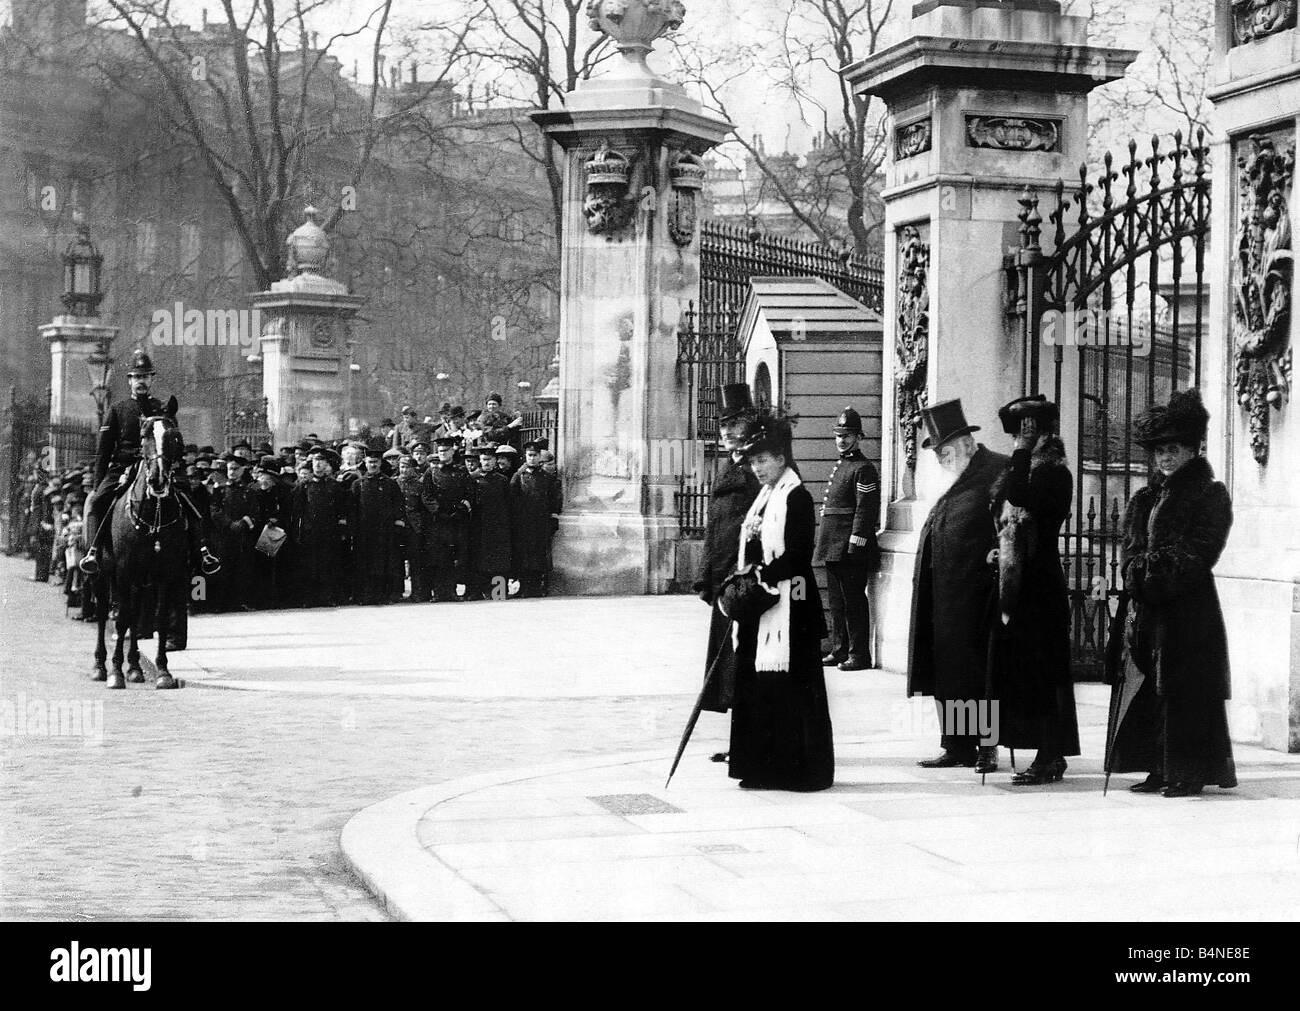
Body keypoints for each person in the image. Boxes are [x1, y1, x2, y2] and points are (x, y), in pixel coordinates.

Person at [1109, 389, 1236, 797]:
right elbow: (1129, 549)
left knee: (1187, 689)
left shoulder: (1210, 494)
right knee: (1148, 686)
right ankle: (1157, 766)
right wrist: (1135, 574)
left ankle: (1189, 770)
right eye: (1160, 450)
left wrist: (1152, 575)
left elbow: (1201, 551)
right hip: (1146, 607)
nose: (1165, 458)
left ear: (1192, 449)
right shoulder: (1144, 498)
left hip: (1188, 609)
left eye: (1174, 449)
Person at [726, 409, 834, 792]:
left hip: (793, 607)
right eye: (753, 461)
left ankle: (800, 768)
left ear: (781, 459)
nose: (757, 468)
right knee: (758, 686)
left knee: (792, 688)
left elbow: (799, 556)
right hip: (764, 604)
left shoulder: (797, 497)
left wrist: (760, 576)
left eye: (762, 460)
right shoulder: (765, 499)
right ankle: (762, 765)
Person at [907, 399, 1010, 775]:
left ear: (967, 443)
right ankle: (956, 744)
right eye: (937, 453)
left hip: (979, 593)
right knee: (949, 669)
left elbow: (1010, 527)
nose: (941, 459)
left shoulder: (998, 469)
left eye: (946, 451)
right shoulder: (955, 476)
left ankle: (986, 747)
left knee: (979, 671)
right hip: (945, 596)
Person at [986, 395, 1080, 784]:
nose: (1018, 443)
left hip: (1042, 585)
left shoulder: (1055, 474)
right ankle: (1032, 749)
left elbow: (1019, 495)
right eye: (1017, 437)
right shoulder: (1027, 470)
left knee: (1045, 672)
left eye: (1026, 435)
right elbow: (1004, 497)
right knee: (1023, 671)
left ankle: (1051, 754)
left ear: (1043, 435)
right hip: (1021, 584)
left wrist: (1021, 454)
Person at [80, 349, 218, 576]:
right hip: (124, 467)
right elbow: (104, 451)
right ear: (130, 381)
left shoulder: (162, 409)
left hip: (159, 466)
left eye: (144, 377)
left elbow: (174, 443)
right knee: (97, 502)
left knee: (190, 500)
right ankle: (94, 551)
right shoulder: (118, 410)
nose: (140, 381)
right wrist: (98, 484)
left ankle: (202, 552)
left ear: (151, 379)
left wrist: (176, 469)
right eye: (136, 377)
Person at [693, 384, 760, 719]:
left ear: (750, 424)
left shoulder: (757, 469)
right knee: (730, 664)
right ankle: (738, 742)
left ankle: (746, 743)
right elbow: (717, 528)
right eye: (722, 425)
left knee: (743, 660)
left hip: (744, 582)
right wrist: (708, 575)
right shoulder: (730, 465)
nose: (727, 432)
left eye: (735, 423)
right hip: (724, 580)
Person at [814, 406, 881, 671]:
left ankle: (859, 655)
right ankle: (840, 650)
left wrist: (857, 540)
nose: (841, 440)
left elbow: (865, 508)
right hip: (832, 544)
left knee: (853, 601)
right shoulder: (842, 466)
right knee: (837, 602)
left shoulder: (864, 468)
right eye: (839, 435)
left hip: (850, 546)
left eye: (847, 435)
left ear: (859, 437)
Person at [292, 448, 348, 607]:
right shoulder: (304, 486)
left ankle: (327, 597)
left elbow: (341, 510)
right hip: (310, 533)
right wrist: (298, 532)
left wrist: (342, 531)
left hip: (329, 532)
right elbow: (297, 512)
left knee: (328, 565)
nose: (318, 465)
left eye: (321, 462)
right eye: (316, 462)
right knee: (310, 565)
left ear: (327, 465)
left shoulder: (335, 486)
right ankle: (309, 598)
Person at [349, 449, 406, 605]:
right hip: (364, 532)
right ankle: (365, 596)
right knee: (364, 564)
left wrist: (397, 524)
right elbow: (352, 509)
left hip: (384, 531)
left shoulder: (389, 483)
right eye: (370, 462)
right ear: (365, 464)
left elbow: (398, 505)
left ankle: (384, 595)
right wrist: (353, 529)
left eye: (375, 462)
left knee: (384, 563)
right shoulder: (358, 484)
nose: (372, 465)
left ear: (380, 463)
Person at [422, 436, 474, 602]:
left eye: (446, 450)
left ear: (453, 451)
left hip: (456, 521)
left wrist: (460, 510)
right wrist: (437, 511)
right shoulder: (432, 472)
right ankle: (438, 592)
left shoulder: (461, 471)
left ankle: (451, 591)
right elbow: (427, 495)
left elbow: (469, 493)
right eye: (440, 451)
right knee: (438, 557)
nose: (443, 453)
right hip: (438, 522)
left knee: (453, 556)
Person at [509, 440, 562, 597]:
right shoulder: (518, 477)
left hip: (541, 522)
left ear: (539, 457)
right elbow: (512, 499)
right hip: (523, 523)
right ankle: (524, 586)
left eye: (535, 455)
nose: (531, 458)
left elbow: (554, 499)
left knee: (539, 555)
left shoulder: (547, 478)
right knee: (523, 555)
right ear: (525, 456)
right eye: (529, 455)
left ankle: (538, 586)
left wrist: (553, 516)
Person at [470, 444, 513, 600]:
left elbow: (508, 504)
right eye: (483, 460)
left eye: (489, 459)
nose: (486, 463)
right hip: (478, 526)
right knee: (478, 560)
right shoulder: (473, 478)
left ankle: (498, 592)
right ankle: (478, 591)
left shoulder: (502, 480)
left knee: (499, 561)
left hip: (497, 527)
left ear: (495, 461)